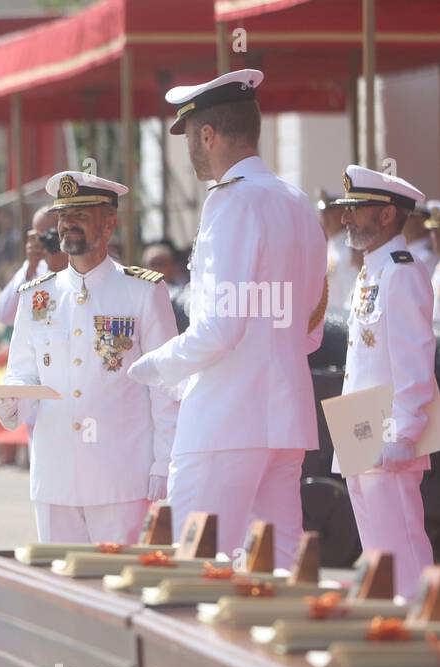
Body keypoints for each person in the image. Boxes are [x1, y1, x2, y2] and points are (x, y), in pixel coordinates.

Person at [128, 70, 327, 569]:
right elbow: (313, 324)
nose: (191, 150)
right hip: (284, 418)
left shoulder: (232, 200)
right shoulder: (296, 201)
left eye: (190, 137)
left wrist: (146, 368)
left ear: (209, 135)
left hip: (226, 420)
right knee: (278, 569)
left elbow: (220, 327)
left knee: (199, 566)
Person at [0, 172, 179, 544]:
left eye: (80, 214)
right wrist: (10, 399)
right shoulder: (37, 296)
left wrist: (164, 461)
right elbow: (23, 373)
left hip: (120, 477)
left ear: (109, 223)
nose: (68, 224)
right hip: (54, 475)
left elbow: (166, 385)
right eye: (63, 216)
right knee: (59, 590)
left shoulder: (142, 292)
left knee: (118, 590)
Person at [334, 165, 436, 597]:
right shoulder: (370, 270)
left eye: (357, 208)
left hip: (388, 430)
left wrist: (403, 433)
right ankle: (392, 633)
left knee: (403, 550)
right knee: (378, 555)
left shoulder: (401, 271)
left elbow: (415, 363)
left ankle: (425, 637)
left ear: (389, 214)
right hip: (358, 423)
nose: (346, 218)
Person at [0, 204, 69, 337]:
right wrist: (30, 269)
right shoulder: (34, 268)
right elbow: (3, 315)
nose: (50, 240)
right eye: (42, 237)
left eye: (53, 233)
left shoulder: (80, 263)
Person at [318, 189, 358, 320]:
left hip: (343, 320)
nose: (324, 216)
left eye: (330, 211)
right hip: (326, 320)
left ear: (342, 213)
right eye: (323, 211)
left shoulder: (353, 248)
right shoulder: (326, 247)